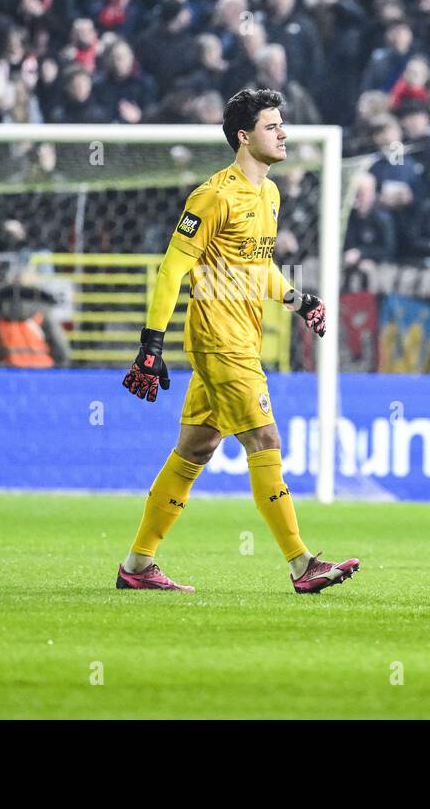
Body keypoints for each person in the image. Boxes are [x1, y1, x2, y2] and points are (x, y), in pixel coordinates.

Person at [116, 88, 359, 594]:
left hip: (243, 339)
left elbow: (256, 267)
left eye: (282, 124)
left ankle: (137, 566)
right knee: (265, 440)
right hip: (218, 340)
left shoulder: (269, 194)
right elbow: (172, 268)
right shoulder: (212, 196)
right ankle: (301, 564)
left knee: (195, 448)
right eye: (273, 126)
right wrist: (151, 342)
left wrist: (297, 299)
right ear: (245, 137)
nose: (284, 133)